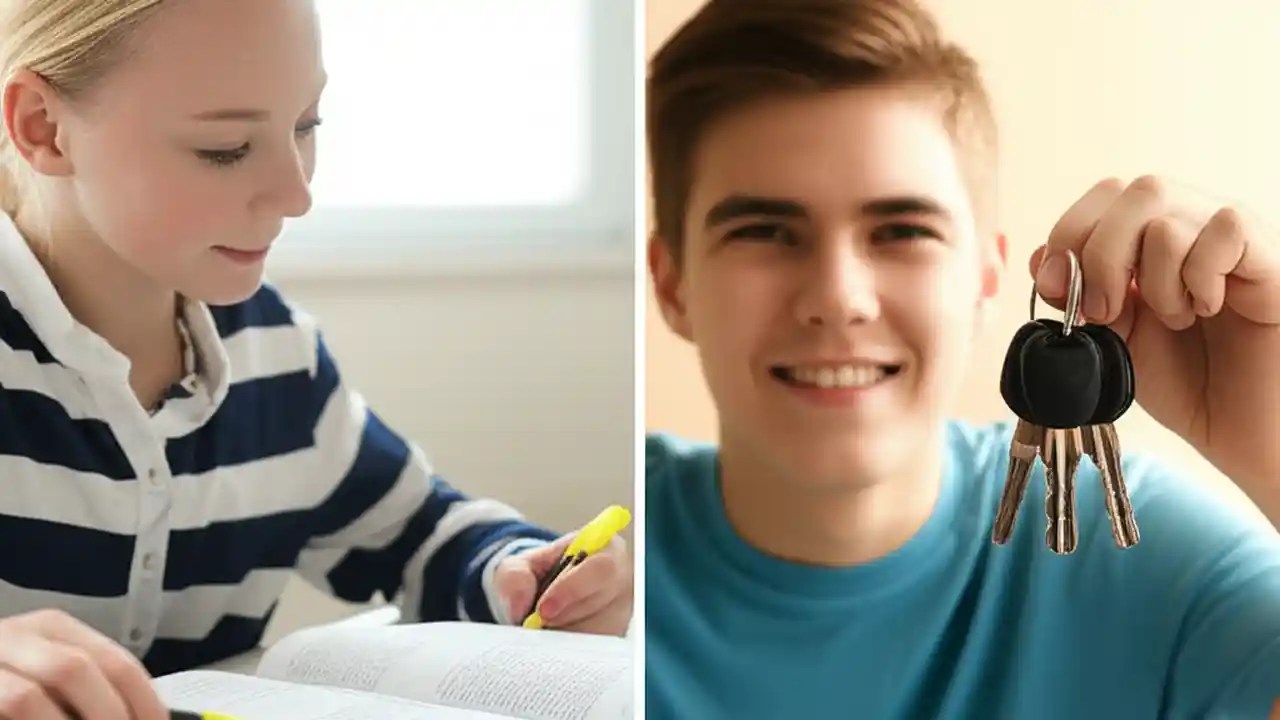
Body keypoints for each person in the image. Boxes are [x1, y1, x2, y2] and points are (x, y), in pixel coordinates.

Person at [644, 0, 1280, 717]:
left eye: (902, 230)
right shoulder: (607, 548)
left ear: (985, 278)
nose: (839, 297)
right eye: (765, 231)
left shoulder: (1164, 565)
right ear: (672, 285)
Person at [0, 1, 632, 718]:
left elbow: (421, 534)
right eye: (226, 148)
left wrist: (529, 574)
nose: (297, 195)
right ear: (42, 128)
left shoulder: (274, 353)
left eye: (306, 126)